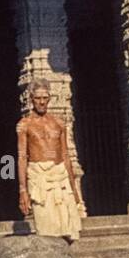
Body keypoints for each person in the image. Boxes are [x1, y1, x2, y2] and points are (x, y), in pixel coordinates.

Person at [16, 78, 82, 241]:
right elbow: (22, 157)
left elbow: (66, 155)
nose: (42, 102)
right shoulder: (24, 124)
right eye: (38, 98)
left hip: (60, 176)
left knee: (68, 228)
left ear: (49, 98)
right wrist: (22, 190)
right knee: (46, 229)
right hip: (39, 178)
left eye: (45, 98)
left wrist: (74, 189)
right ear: (31, 99)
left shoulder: (59, 123)